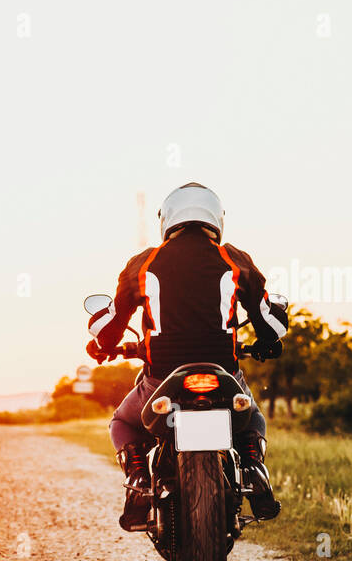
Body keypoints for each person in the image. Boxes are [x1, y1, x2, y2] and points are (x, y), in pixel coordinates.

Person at [86, 182, 287, 529]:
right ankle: (253, 468)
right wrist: (271, 335)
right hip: (224, 376)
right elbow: (271, 325)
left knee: (123, 422)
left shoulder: (144, 262)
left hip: (159, 380)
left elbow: (111, 326)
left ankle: (136, 479)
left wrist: (102, 344)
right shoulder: (234, 258)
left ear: (167, 220)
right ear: (216, 219)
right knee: (252, 417)